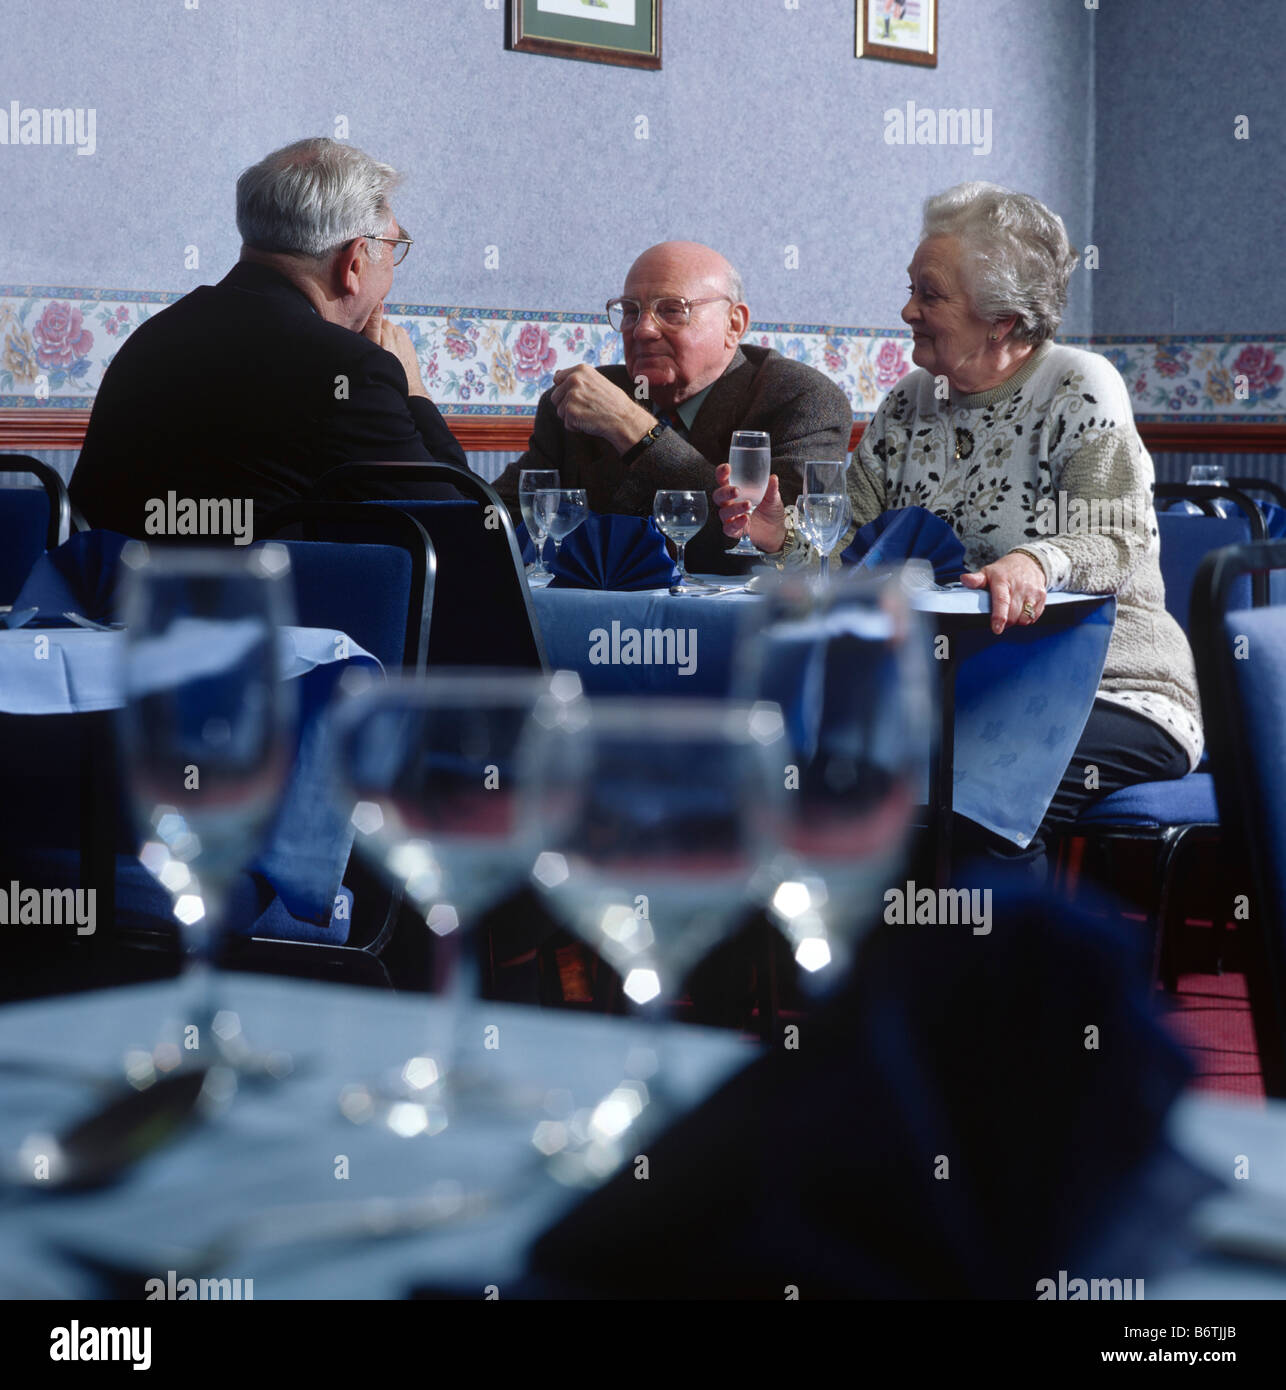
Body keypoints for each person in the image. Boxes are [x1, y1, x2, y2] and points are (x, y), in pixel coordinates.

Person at [718, 182, 1203, 878]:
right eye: (911, 288)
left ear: (1000, 320)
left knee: (975, 807)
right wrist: (780, 534)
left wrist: (1037, 562)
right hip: (951, 685)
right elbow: (850, 545)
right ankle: (877, 980)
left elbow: (1116, 538)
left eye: (930, 294)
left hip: (1113, 687)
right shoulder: (911, 401)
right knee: (836, 773)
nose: (907, 309)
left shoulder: (1080, 387)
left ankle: (995, 980)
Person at [69, 137, 466, 537]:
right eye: (393, 246)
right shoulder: (351, 371)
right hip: (256, 598)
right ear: (355, 261)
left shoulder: (152, 337)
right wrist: (415, 391)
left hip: (108, 594)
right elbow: (460, 534)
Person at [490, 241, 854, 574]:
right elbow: (496, 518)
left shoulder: (800, 399)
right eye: (631, 311)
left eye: (671, 310)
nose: (643, 330)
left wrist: (636, 431)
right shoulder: (583, 400)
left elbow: (785, 556)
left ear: (734, 323)